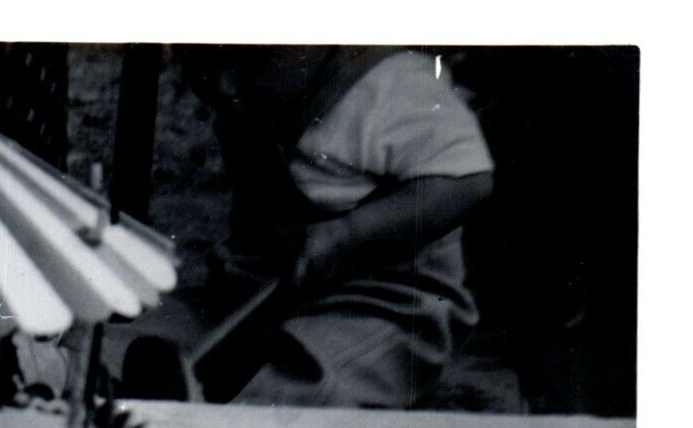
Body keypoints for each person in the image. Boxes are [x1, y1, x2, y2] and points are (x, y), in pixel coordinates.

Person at [178, 46, 495, 408]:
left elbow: (466, 181)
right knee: (155, 340)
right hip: (266, 287)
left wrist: (347, 235)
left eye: (248, 64)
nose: (223, 85)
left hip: (383, 302)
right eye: (199, 63)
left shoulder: (387, 84)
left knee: (293, 390)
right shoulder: (260, 91)